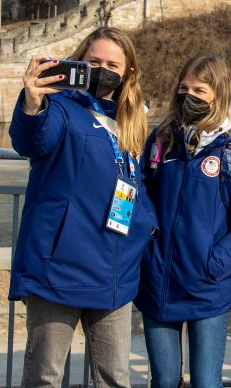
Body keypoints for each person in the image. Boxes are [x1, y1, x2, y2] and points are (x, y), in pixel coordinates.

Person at [9, 27, 156, 388]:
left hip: (114, 269)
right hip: (59, 267)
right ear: (79, 62)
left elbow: (135, 184)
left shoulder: (131, 119)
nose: (102, 70)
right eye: (94, 62)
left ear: (128, 73)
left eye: (112, 64)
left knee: (114, 378)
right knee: (45, 375)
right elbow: (33, 139)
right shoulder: (59, 106)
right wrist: (32, 105)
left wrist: (145, 226)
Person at [137, 56, 231, 388]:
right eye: (184, 88)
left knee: (207, 382)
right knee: (164, 381)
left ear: (218, 94)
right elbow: (138, 193)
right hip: (158, 283)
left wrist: (215, 262)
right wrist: (146, 245)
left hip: (207, 286)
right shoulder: (161, 140)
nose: (189, 95)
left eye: (199, 89)